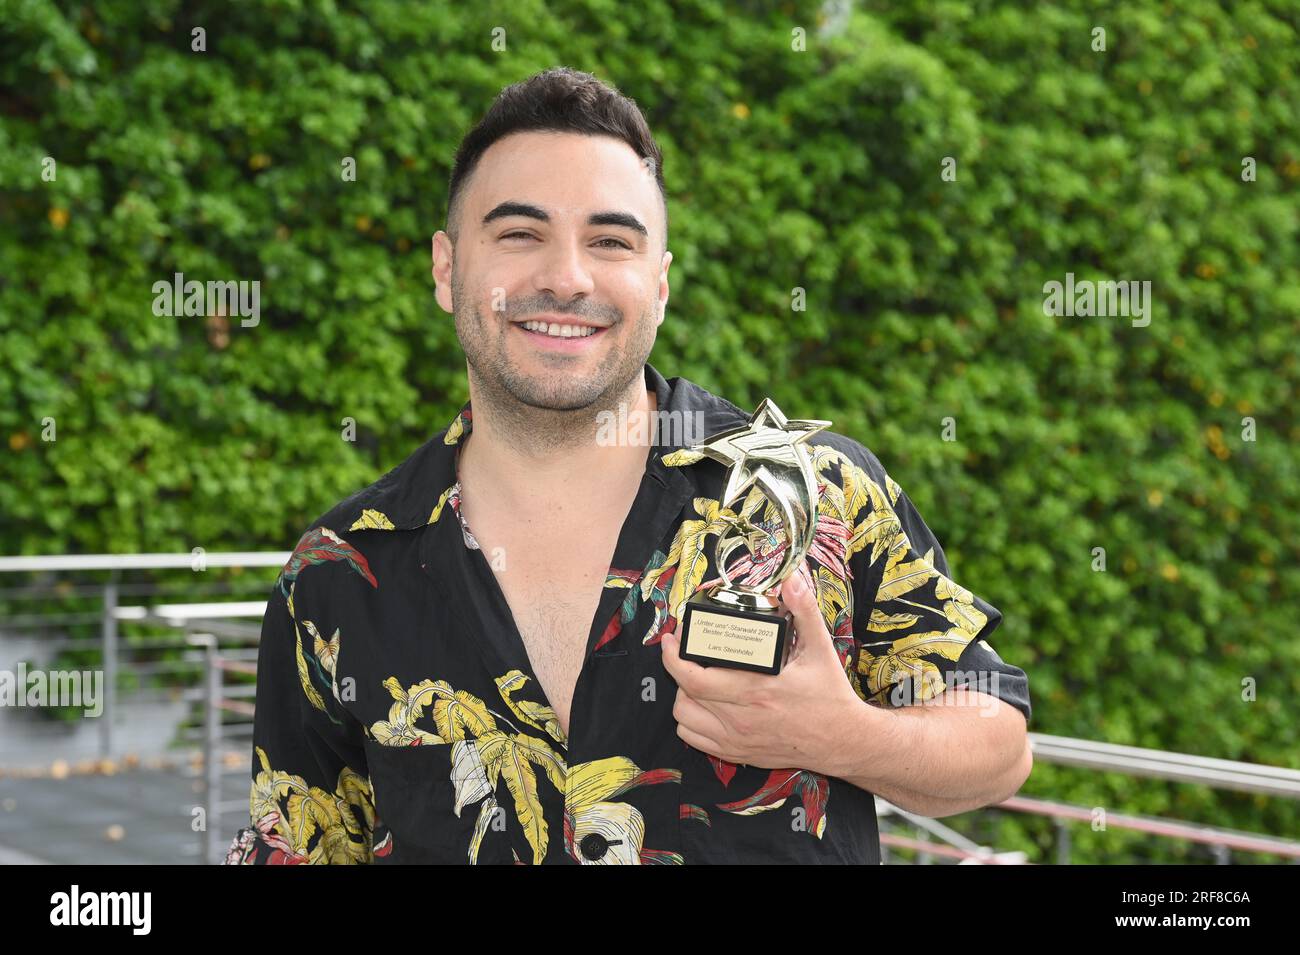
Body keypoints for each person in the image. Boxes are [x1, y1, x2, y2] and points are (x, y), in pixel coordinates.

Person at [225, 66, 1031, 866]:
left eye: (610, 241)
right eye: (519, 234)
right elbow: (295, 844)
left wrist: (843, 735)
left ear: (661, 283)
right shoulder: (338, 572)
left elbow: (996, 745)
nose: (566, 278)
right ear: (447, 268)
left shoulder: (816, 491)